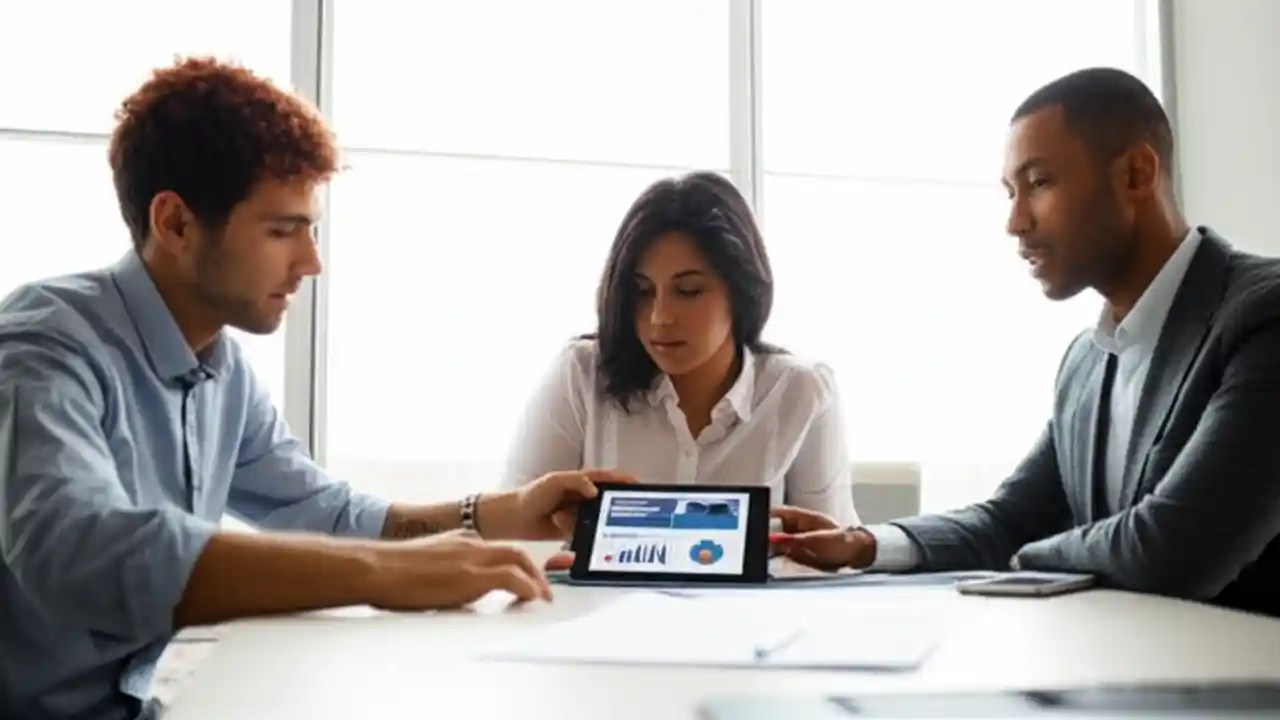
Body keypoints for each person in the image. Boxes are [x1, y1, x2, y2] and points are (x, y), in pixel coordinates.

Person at [0, 57, 632, 719]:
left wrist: (499, 514)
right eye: (282, 230)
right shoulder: (47, 342)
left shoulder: (222, 369)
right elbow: (78, 547)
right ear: (176, 224)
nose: (311, 262)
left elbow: (326, 514)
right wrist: (382, 576)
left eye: (311, 229)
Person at [772, 67, 1280, 617]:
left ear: (1136, 173)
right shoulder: (1086, 363)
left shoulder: (1263, 316)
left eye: (1039, 183)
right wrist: (865, 544)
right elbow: (1010, 518)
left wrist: (1025, 559)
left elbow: (1178, 548)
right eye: (1011, 192)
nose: (1015, 222)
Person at [503, 172, 860, 543]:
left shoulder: (800, 390)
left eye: (688, 291)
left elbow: (832, 554)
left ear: (740, 291)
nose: (660, 317)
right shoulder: (582, 373)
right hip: (601, 601)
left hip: (746, 602)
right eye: (642, 292)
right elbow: (506, 533)